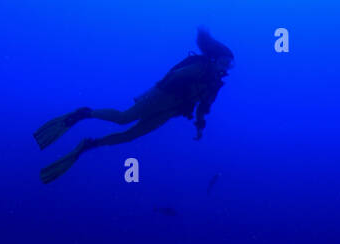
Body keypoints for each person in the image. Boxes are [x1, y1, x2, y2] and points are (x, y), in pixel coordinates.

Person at [34, 28, 233, 184]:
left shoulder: (215, 84)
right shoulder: (200, 66)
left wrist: (199, 127)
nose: (226, 69)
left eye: (229, 66)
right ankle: (85, 113)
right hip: (161, 97)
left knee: (131, 136)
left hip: (171, 111)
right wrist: (163, 94)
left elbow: (204, 107)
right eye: (224, 63)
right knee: (123, 119)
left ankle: (90, 144)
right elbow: (173, 76)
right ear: (215, 59)